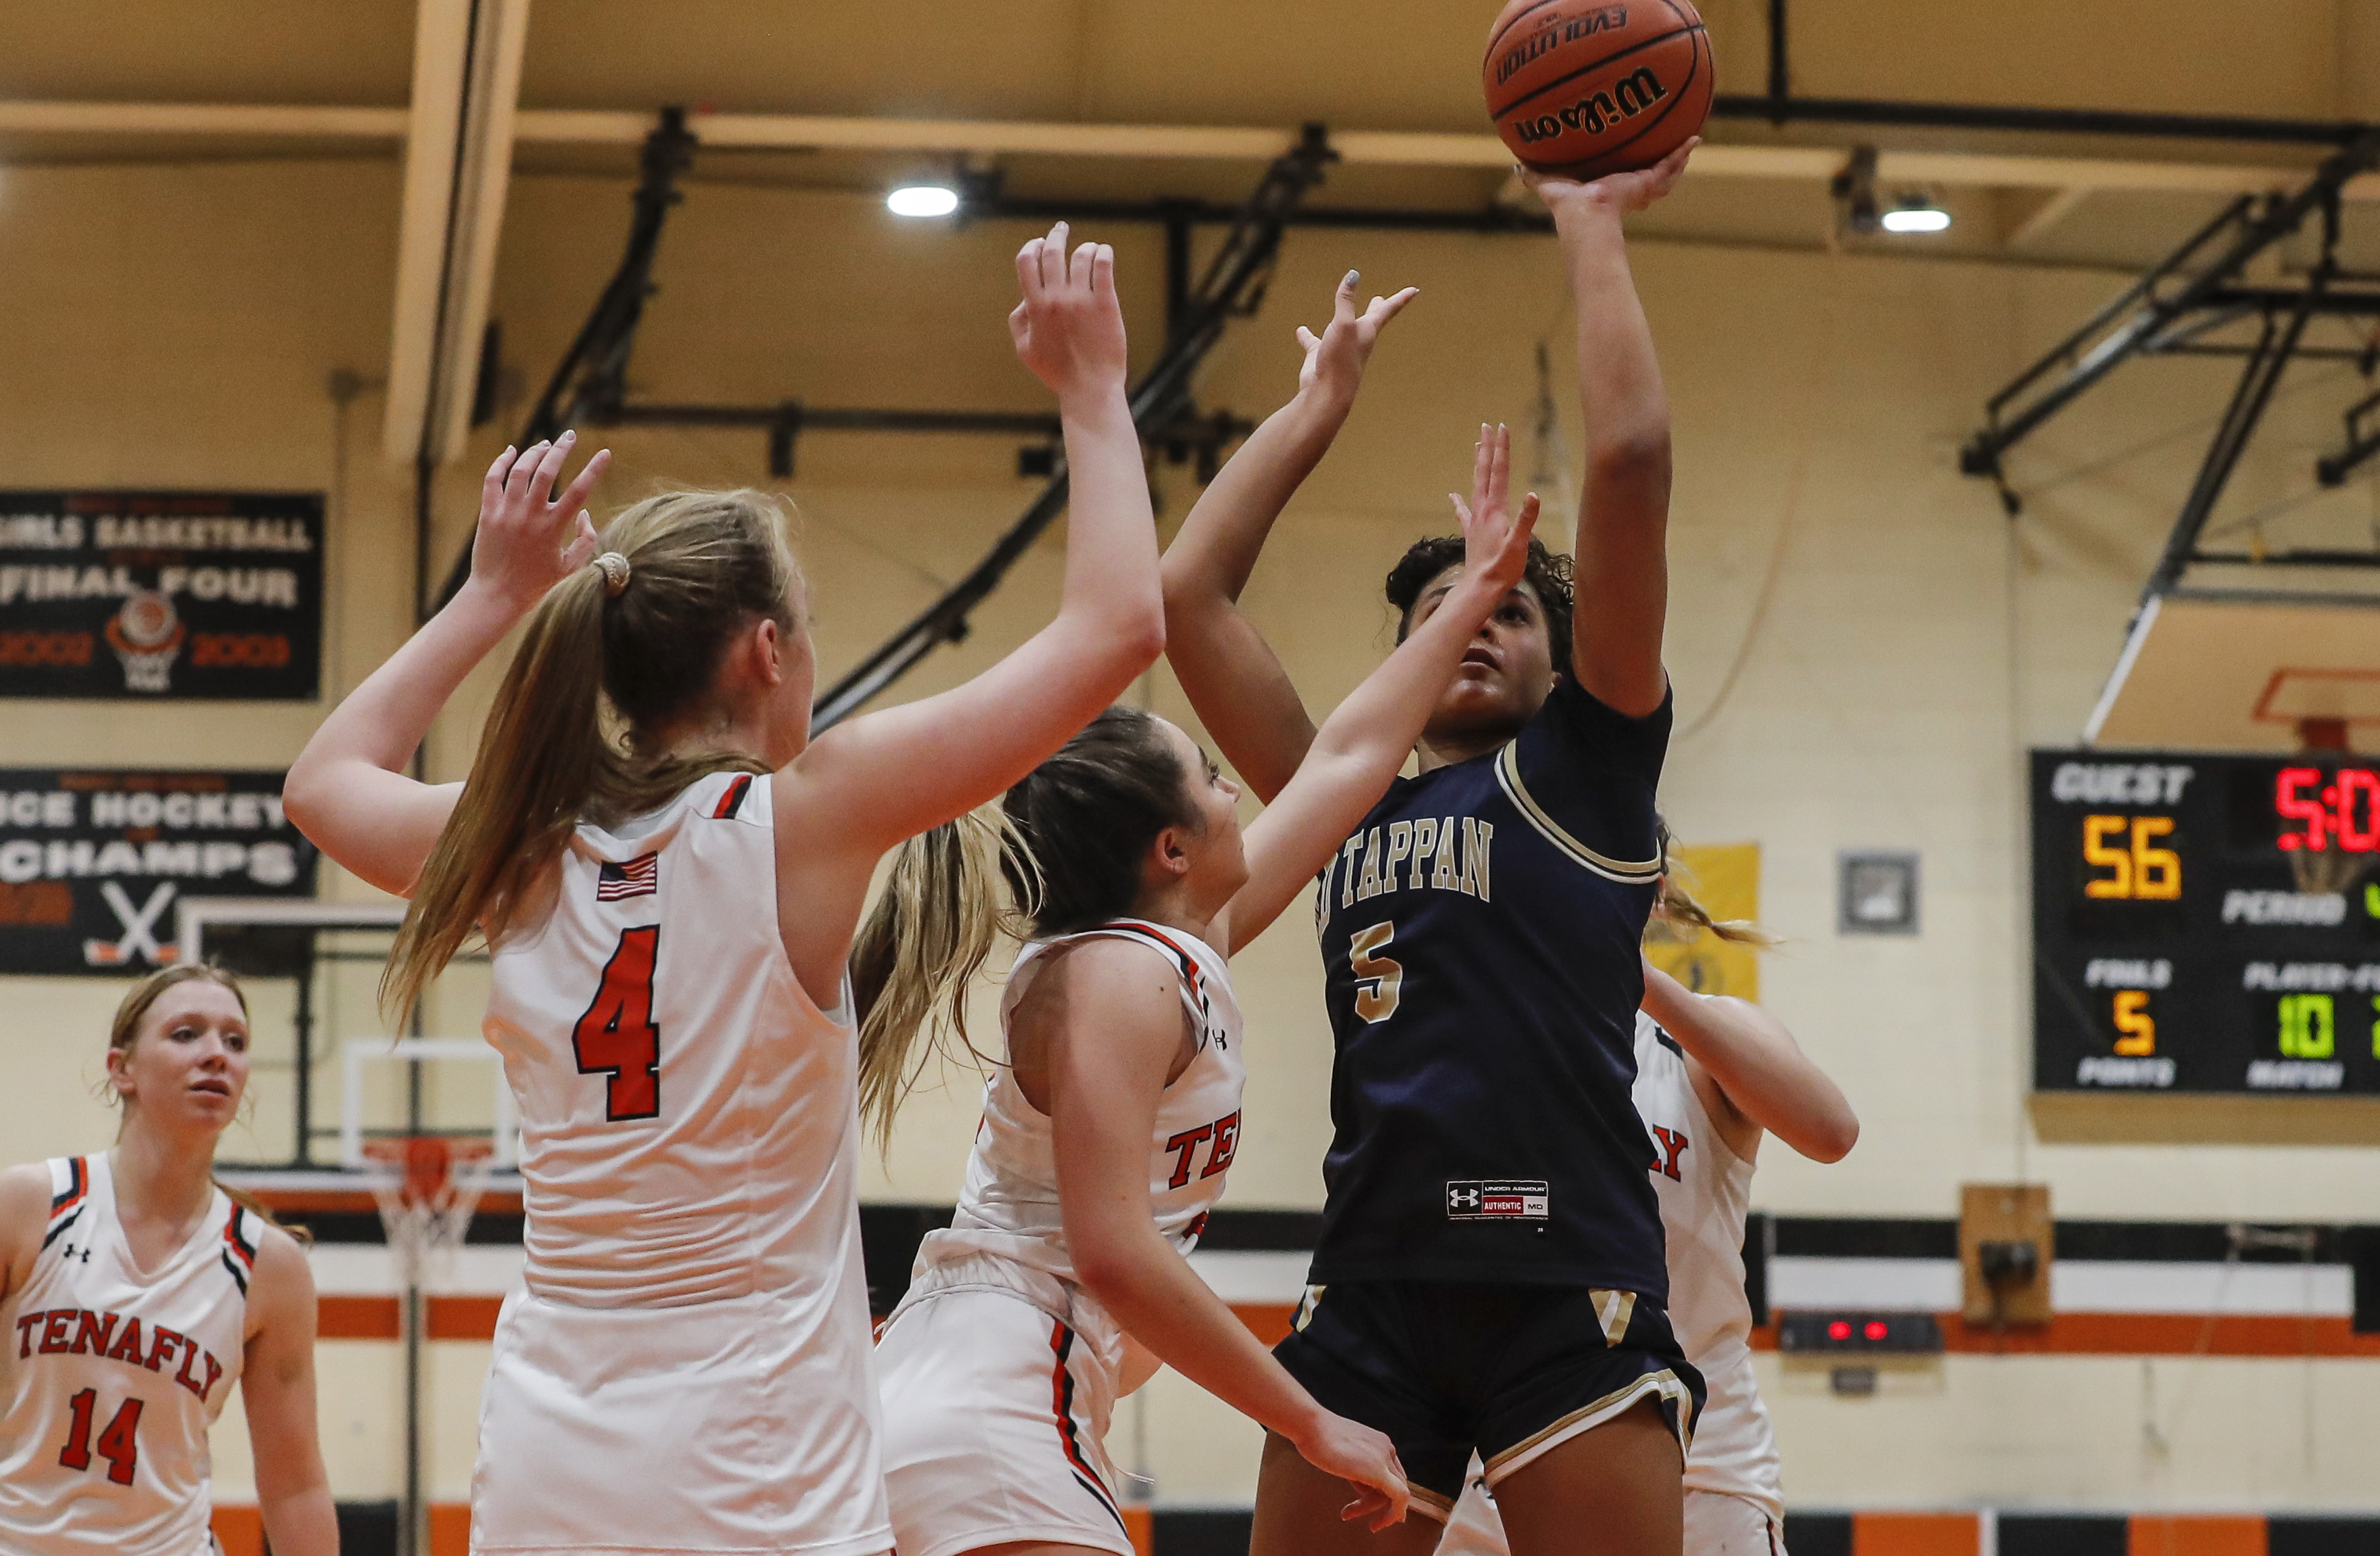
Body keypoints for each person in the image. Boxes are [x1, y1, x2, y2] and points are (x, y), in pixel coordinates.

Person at [282, 222, 1165, 1556]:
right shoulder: (799, 820)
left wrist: (487, 595)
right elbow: (1117, 629)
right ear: (765, 648)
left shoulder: (523, 846)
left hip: (544, 1460)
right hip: (752, 1466)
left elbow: (322, 778)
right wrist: (1093, 397)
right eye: (805, 619)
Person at [853, 419, 1541, 1556]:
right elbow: (1115, 1251)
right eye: (1212, 780)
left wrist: (1333, 420)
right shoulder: (1121, 977)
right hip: (996, 1392)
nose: (1236, 789)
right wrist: (1307, 1419)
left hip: (983, 1391)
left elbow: (1347, 758)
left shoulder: (1175, 947)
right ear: (1169, 847)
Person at [1159, 142, 1705, 1556]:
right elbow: (1186, 595)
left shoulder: (1585, 772)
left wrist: (1589, 224)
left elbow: (1634, 464)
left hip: (1562, 1276)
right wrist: (1313, 407)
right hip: (1372, 1288)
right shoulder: (1342, 791)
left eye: (1506, 608)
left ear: (1566, 657)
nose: (1469, 620)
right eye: (1438, 611)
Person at [1439, 842, 1860, 1556]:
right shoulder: (1485, 1036)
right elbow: (1455, 1212)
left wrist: (1638, 981)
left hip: (1702, 1455)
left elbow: (1830, 1130)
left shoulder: (1703, 1036)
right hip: (1511, 1439)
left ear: (1653, 891)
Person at [0, 964, 337, 1556]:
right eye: (187, 1034)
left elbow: (295, 1486)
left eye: (235, 1041)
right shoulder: (28, 1206)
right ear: (121, 1068)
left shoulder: (269, 1266)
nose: (216, 1054)